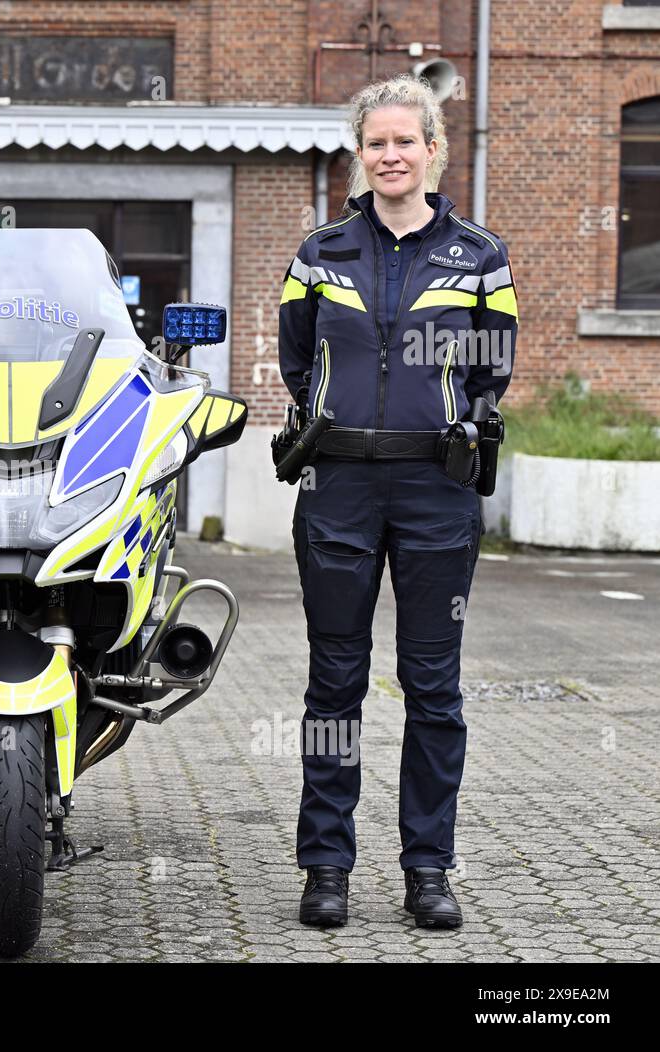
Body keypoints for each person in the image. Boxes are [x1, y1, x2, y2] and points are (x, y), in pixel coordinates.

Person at [277, 74, 519, 929]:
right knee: (333, 684)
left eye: (403, 142)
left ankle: (427, 869)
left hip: (436, 491)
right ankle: (327, 868)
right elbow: (297, 363)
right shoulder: (320, 253)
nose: (389, 155)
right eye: (374, 143)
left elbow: (494, 373)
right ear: (360, 152)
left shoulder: (481, 257)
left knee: (433, 689)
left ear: (432, 149)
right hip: (338, 485)